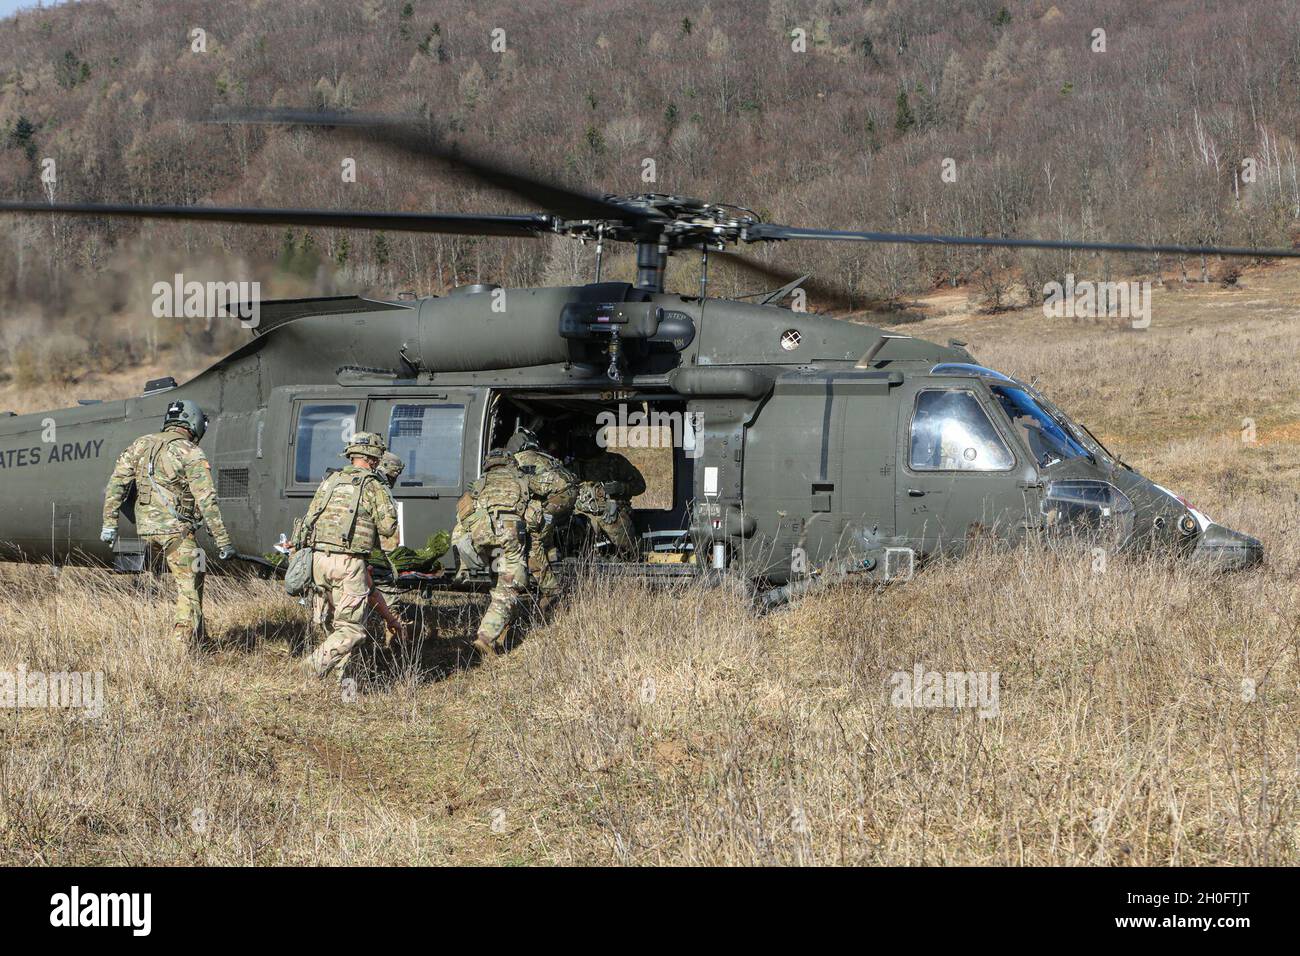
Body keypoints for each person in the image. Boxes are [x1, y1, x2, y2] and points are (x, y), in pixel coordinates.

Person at [101, 399, 234, 647]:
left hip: (147, 530)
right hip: (177, 533)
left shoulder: (140, 444)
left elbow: (116, 485)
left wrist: (109, 524)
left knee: (198, 572)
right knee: (188, 591)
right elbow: (207, 500)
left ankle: (200, 638)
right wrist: (223, 540)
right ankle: (179, 651)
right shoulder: (190, 451)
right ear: (194, 423)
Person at [293, 431, 398, 681]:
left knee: (334, 629)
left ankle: (346, 689)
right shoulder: (373, 485)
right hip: (348, 564)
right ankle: (310, 668)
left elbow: (309, 520)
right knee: (351, 630)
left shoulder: (330, 480)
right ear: (374, 459)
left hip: (318, 561)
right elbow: (388, 527)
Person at [450, 448, 532, 661]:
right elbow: (533, 510)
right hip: (510, 534)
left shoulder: (479, 484)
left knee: (499, 581)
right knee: (512, 583)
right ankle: (485, 637)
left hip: (483, 535)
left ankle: (500, 631)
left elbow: (463, 514)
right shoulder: (520, 479)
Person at [508, 427, 576, 613]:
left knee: (532, 542)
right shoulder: (543, 456)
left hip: (554, 500)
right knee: (545, 535)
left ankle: (551, 590)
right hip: (566, 499)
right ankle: (552, 562)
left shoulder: (519, 461)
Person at [570, 423, 646, 560]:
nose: (587, 445)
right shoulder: (571, 466)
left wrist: (621, 487)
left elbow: (640, 485)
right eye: (583, 440)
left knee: (630, 552)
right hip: (582, 516)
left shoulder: (616, 462)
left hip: (613, 514)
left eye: (591, 439)